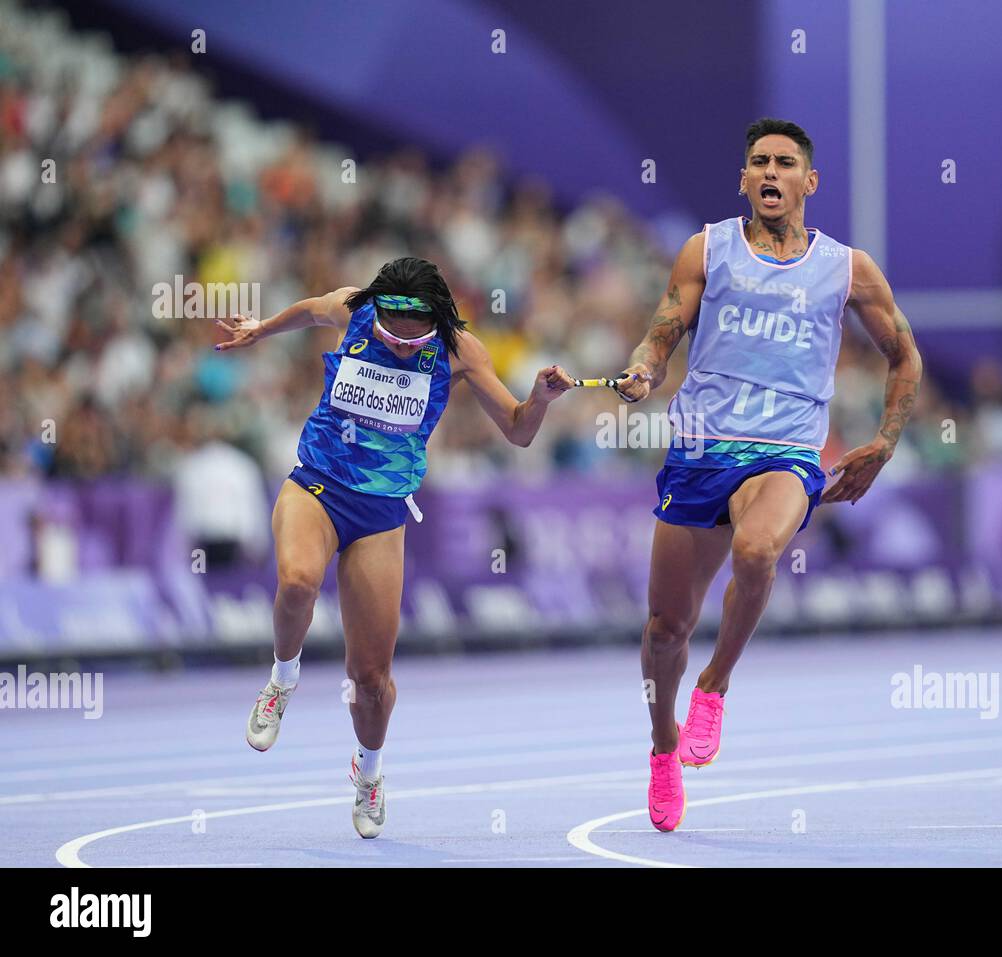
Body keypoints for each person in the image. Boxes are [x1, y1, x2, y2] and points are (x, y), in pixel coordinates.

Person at [615, 119, 923, 831]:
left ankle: (715, 685)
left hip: (784, 449)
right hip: (699, 450)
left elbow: (904, 355)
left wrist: (884, 440)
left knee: (757, 550)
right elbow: (664, 328)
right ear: (745, 179)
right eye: (759, 162)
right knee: (666, 630)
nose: (771, 173)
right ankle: (663, 744)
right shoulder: (707, 248)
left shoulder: (848, 269)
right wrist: (644, 369)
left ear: (809, 182)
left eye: (786, 163)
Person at [214, 256, 574, 838]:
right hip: (317, 484)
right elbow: (309, 310)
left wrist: (539, 400)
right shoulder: (353, 308)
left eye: (417, 341)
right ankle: (283, 678)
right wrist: (261, 329)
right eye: (391, 337)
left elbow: (518, 430)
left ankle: (369, 772)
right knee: (298, 581)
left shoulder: (462, 351)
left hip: (382, 514)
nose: (404, 349)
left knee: (371, 681)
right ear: (377, 316)